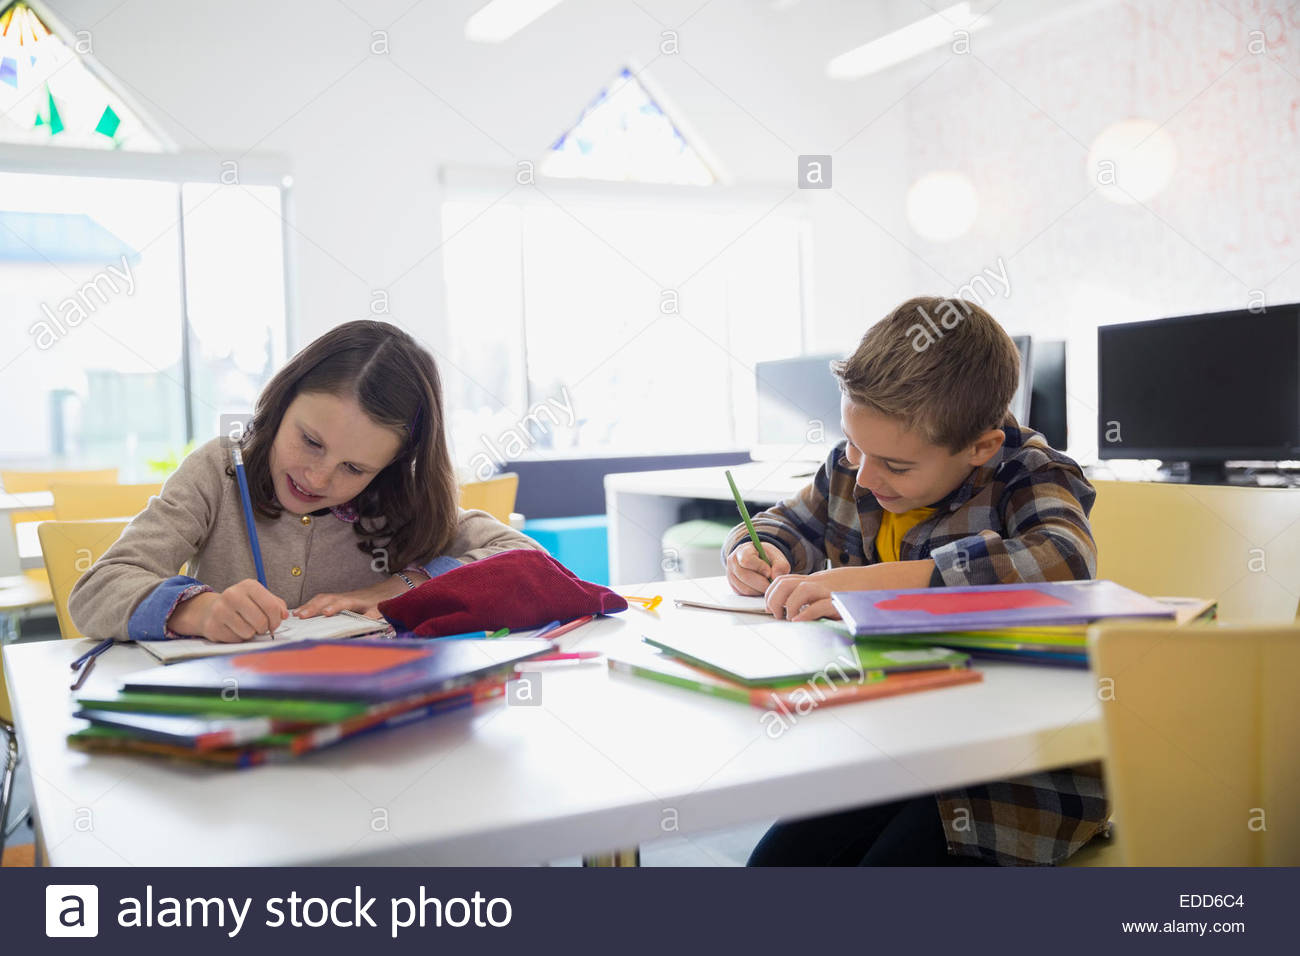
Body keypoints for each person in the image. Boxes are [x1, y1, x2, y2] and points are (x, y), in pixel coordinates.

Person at [726, 296, 1106, 866]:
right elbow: (782, 523)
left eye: (897, 466)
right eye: (855, 446)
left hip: (1009, 780)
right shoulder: (858, 463)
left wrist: (882, 583)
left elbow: (1064, 558)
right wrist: (755, 551)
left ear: (981, 447)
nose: (865, 474)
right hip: (886, 752)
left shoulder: (1027, 474)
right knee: (773, 867)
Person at [70, 320, 544, 643]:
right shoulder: (219, 472)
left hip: (364, 725)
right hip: (229, 721)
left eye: (354, 469)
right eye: (311, 441)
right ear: (281, 402)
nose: (318, 476)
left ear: (392, 466)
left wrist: (402, 585)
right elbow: (96, 591)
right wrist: (199, 611)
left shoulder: (399, 499)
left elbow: (528, 562)